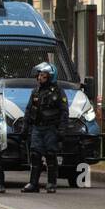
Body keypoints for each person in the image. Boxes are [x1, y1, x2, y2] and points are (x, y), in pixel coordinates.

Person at [22, 61, 68, 193]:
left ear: (50, 76)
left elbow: (64, 112)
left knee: (50, 155)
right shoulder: (35, 91)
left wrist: (62, 129)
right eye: (39, 75)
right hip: (37, 127)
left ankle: (51, 183)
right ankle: (33, 183)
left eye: (43, 75)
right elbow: (29, 109)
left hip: (51, 128)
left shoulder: (58, 91)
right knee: (35, 154)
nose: (39, 78)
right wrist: (25, 126)